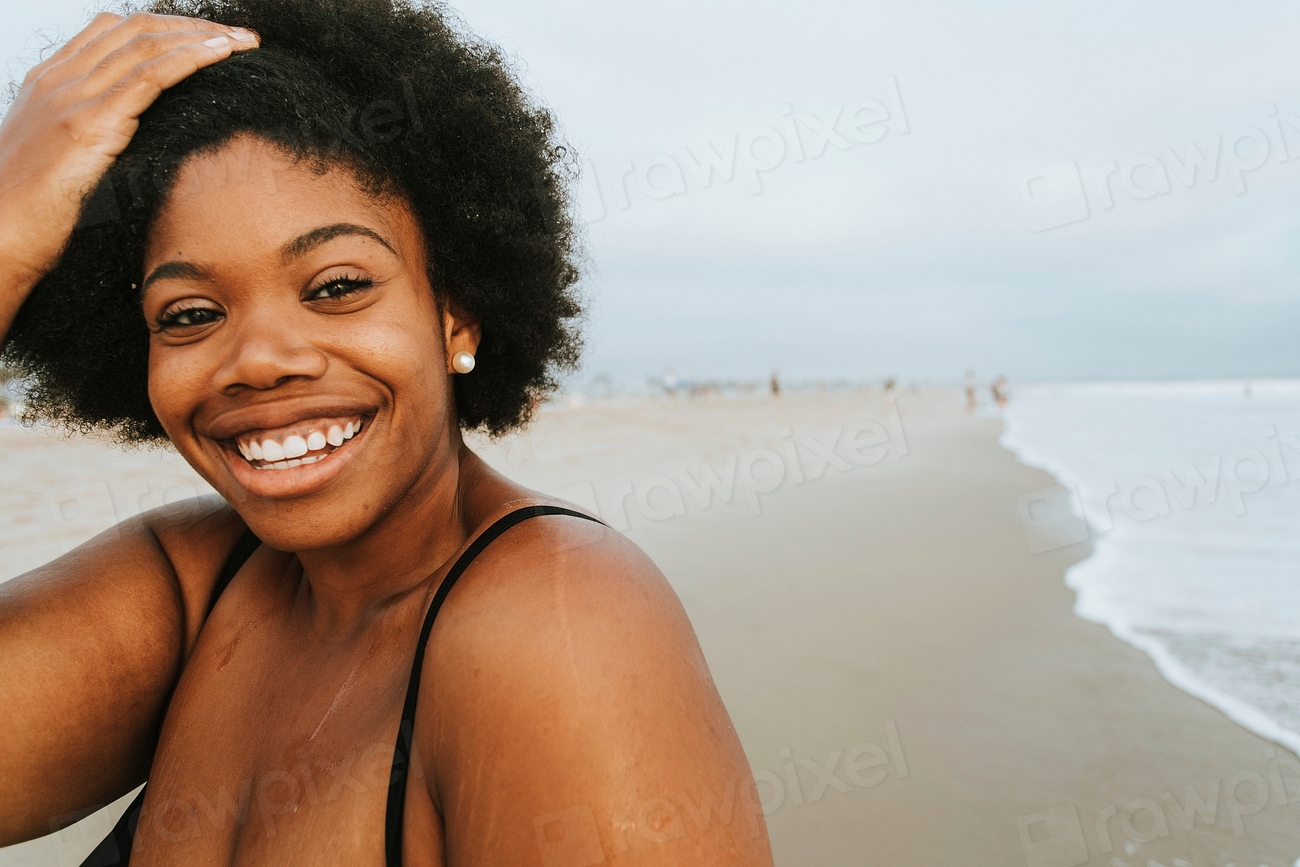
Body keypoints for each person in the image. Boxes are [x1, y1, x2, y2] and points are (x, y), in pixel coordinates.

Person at [0, 2, 773, 865]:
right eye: (189, 313)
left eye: (336, 286)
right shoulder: (191, 588)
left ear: (456, 316)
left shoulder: (559, 621)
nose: (259, 360)